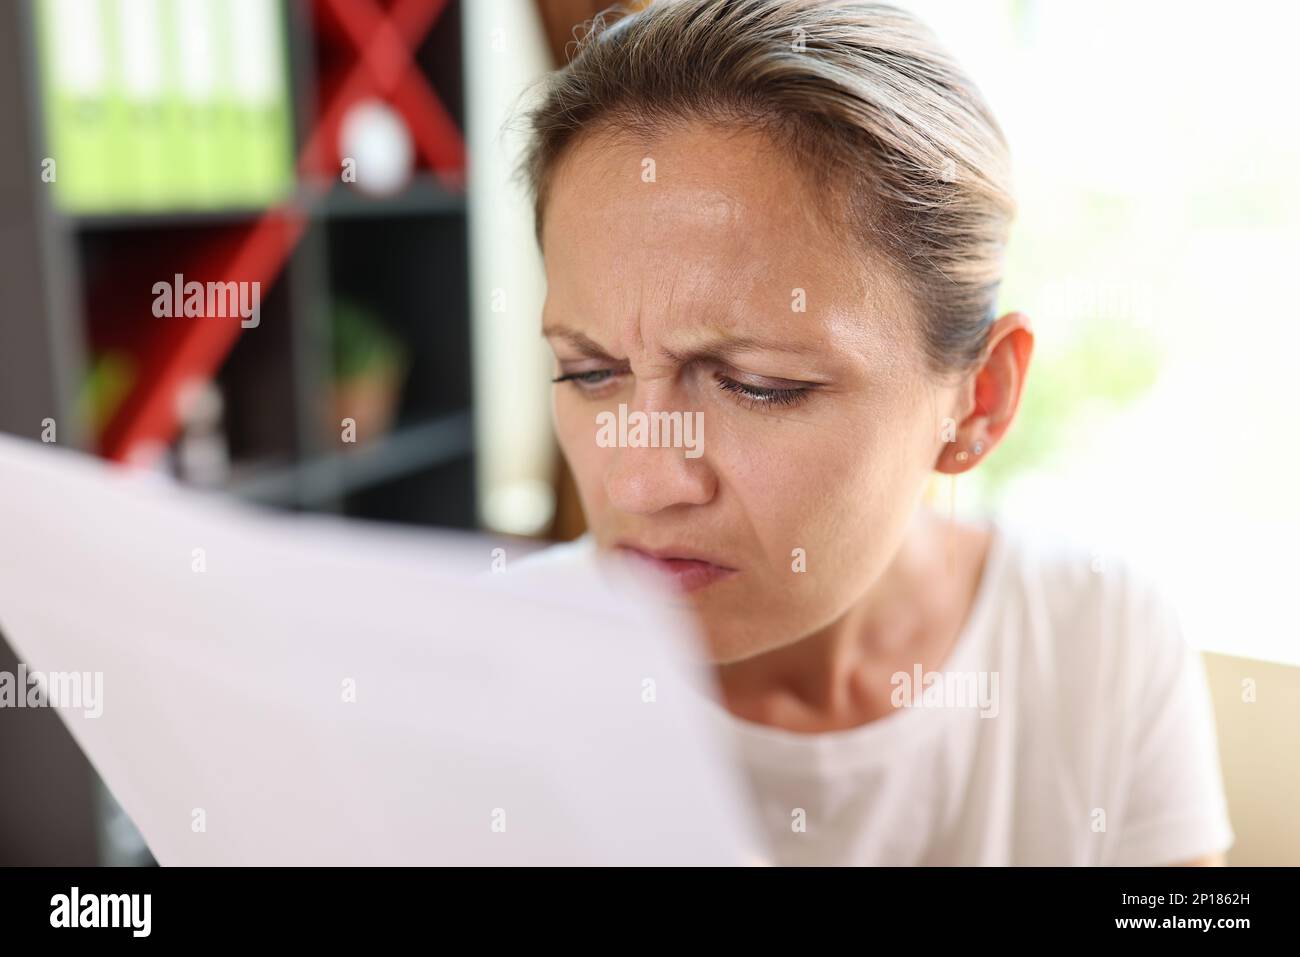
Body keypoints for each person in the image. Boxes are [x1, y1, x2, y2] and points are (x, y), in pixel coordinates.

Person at [515, 0, 1232, 865]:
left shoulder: (1097, 638)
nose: (637, 481)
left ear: (980, 399)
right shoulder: (476, 674)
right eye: (589, 372)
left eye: (758, 386)